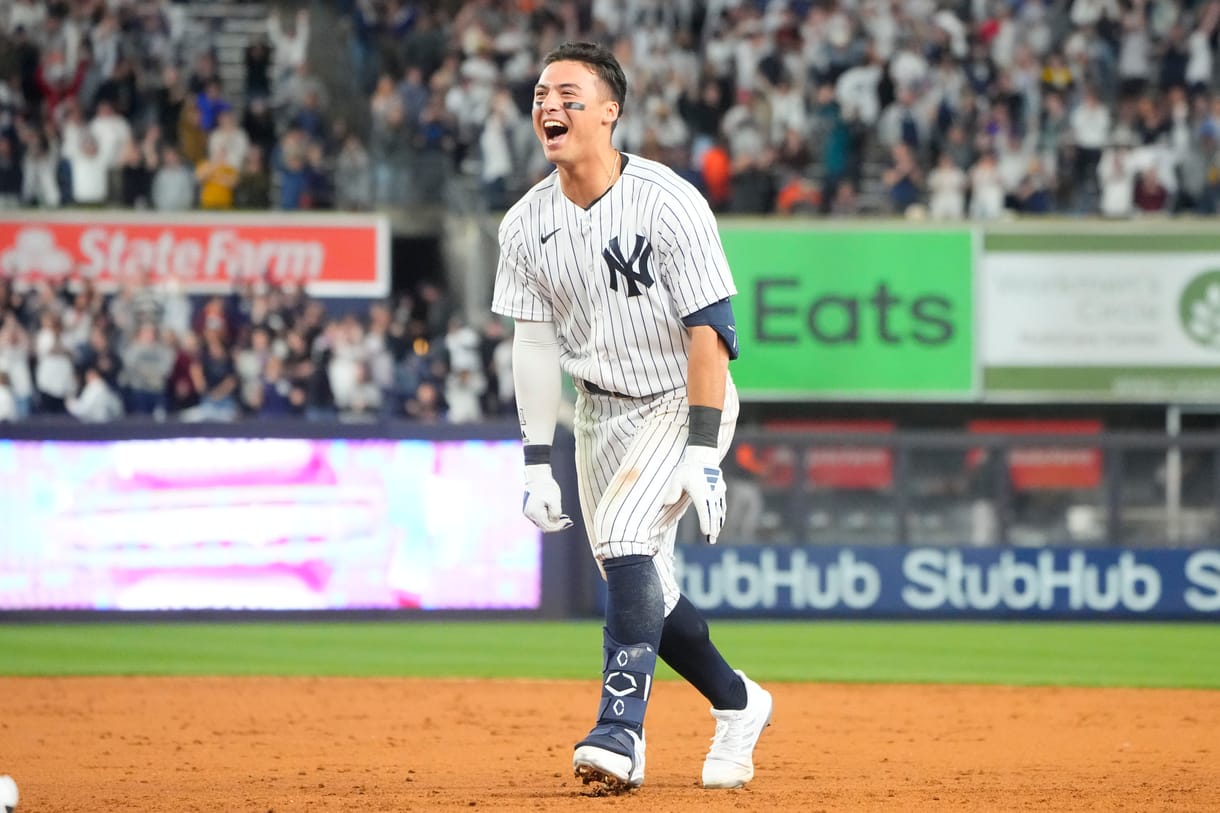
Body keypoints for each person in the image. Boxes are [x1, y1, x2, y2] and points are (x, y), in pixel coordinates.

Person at [490, 42, 773, 795]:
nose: (550, 105)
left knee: (621, 542)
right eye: (542, 93)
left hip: (680, 396)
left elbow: (709, 330)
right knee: (646, 583)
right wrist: (533, 458)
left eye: (570, 94)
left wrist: (703, 451)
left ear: (610, 111)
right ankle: (740, 702)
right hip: (598, 413)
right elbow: (534, 342)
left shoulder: (669, 199)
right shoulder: (524, 225)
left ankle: (620, 730)